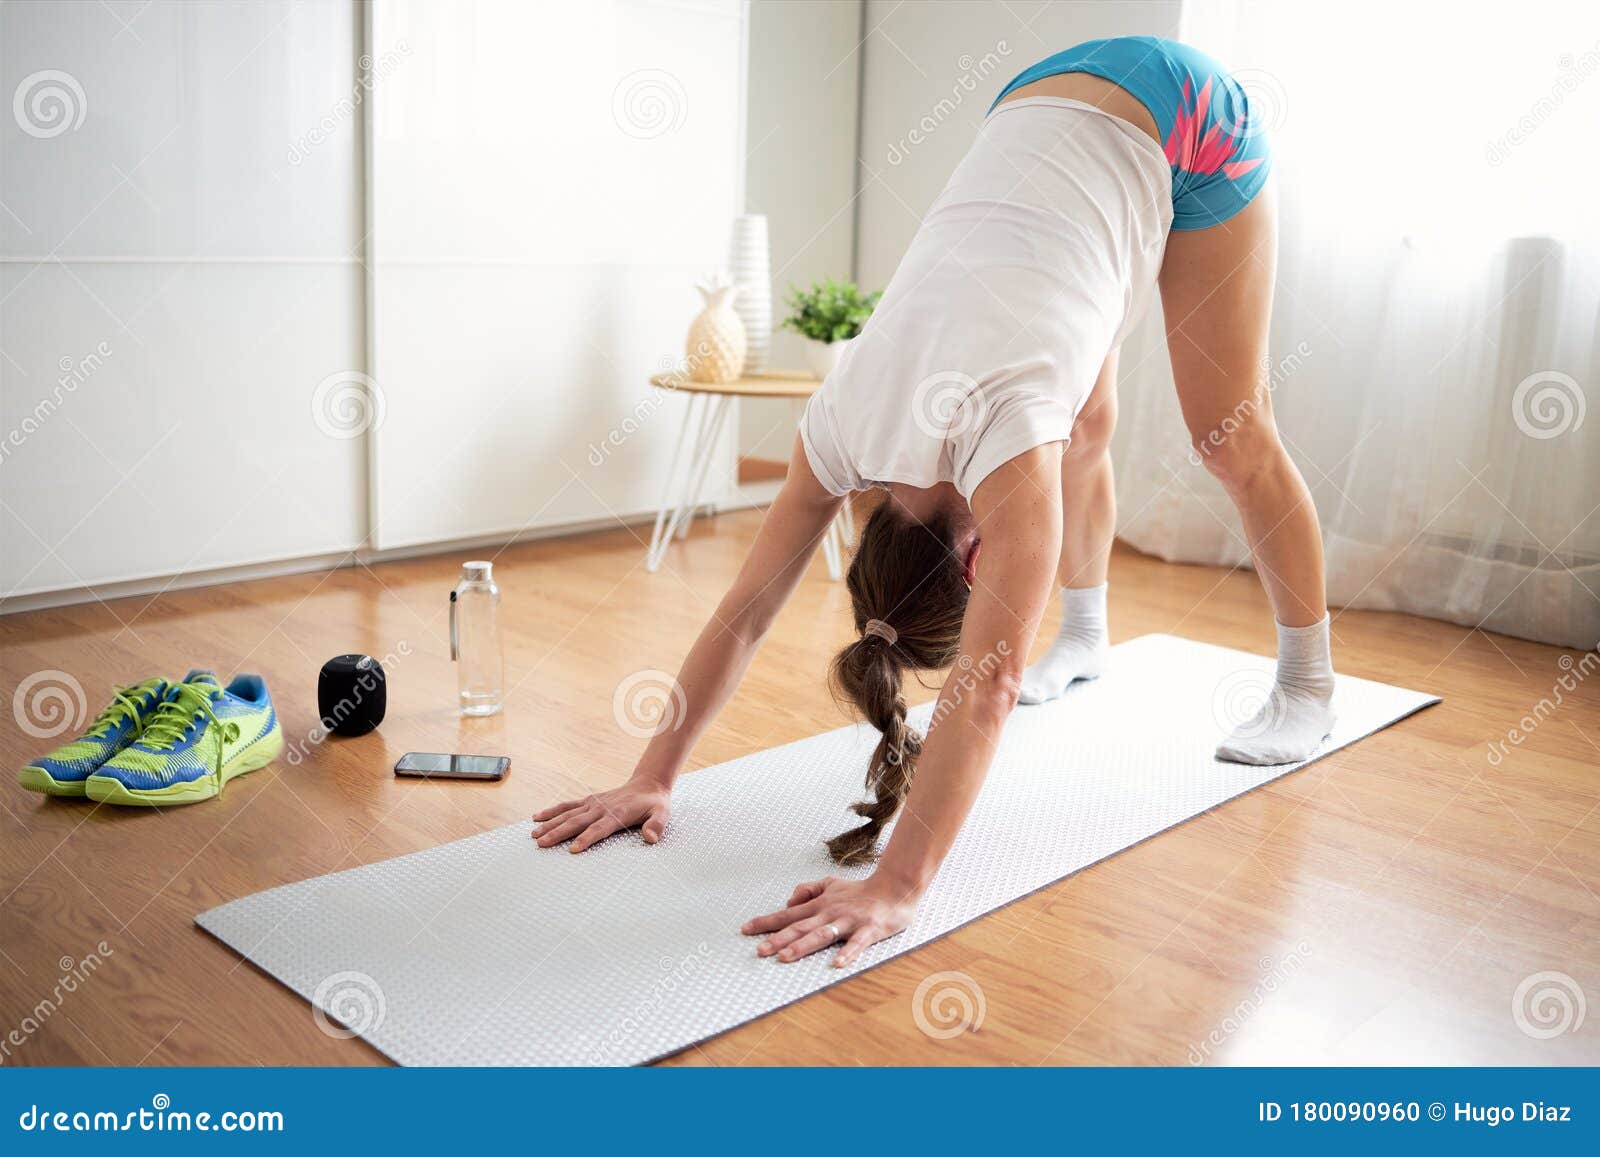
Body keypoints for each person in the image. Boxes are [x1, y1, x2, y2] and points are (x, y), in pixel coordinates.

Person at [534, 36, 1334, 968]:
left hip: (1190, 120)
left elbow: (987, 682)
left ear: (975, 561)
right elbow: (742, 617)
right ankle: (1086, 635)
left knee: (1229, 436)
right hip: (1034, 96)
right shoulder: (839, 426)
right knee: (1090, 417)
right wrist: (650, 775)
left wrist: (899, 883)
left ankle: (1309, 684)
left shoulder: (1004, 443)